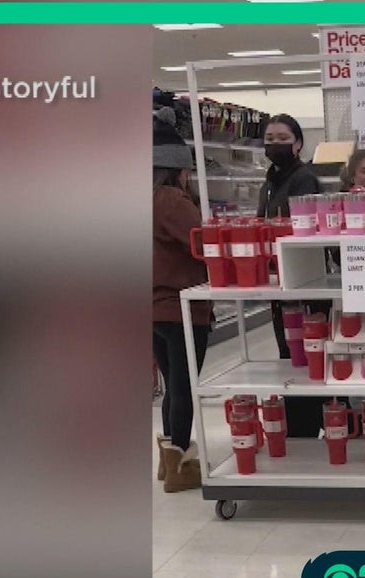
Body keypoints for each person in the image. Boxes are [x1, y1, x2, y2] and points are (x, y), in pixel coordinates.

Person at [257, 114, 331, 438]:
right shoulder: (269, 183)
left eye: (282, 137)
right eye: (269, 137)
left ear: (298, 143)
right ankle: (299, 429)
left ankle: (306, 429)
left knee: (306, 360)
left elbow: (306, 235)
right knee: (291, 359)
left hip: (305, 287)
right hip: (283, 287)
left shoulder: (304, 180)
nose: (275, 143)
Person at [152, 107, 210, 493]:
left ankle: (168, 458)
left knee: (172, 385)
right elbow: (202, 242)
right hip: (182, 305)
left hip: (154, 306)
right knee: (184, 385)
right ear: (179, 168)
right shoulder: (171, 200)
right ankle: (179, 466)